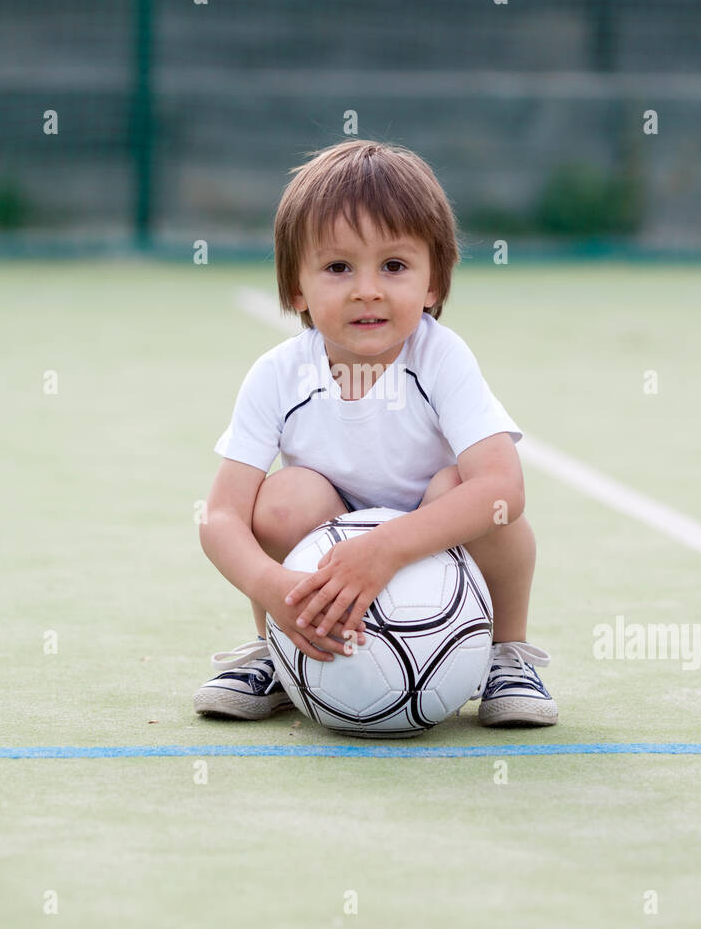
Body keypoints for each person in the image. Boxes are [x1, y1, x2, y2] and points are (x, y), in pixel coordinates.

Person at [194, 139, 557, 728]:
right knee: (283, 501)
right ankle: (276, 651)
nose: (368, 289)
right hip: (326, 539)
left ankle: (504, 654)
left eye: (394, 266)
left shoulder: (442, 358)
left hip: (433, 537)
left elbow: (504, 488)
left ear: (433, 283)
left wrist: (387, 548)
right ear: (295, 289)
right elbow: (220, 518)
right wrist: (273, 587)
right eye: (338, 267)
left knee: (471, 495)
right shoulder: (277, 375)